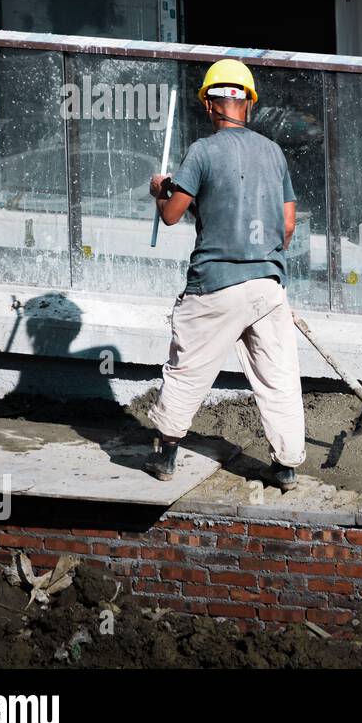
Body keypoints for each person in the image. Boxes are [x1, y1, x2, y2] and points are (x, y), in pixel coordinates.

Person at [144, 59, 305, 490]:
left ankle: (166, 457)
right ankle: (286, 466)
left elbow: (174, 216)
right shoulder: (272, 152)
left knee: (188, 370)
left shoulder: (202, 152)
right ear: (247, 104)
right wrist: (263, 258)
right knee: (279, 378)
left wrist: (163, 190)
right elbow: (288, 224)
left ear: (210, 105)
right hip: (267, 287)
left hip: (214, 286)